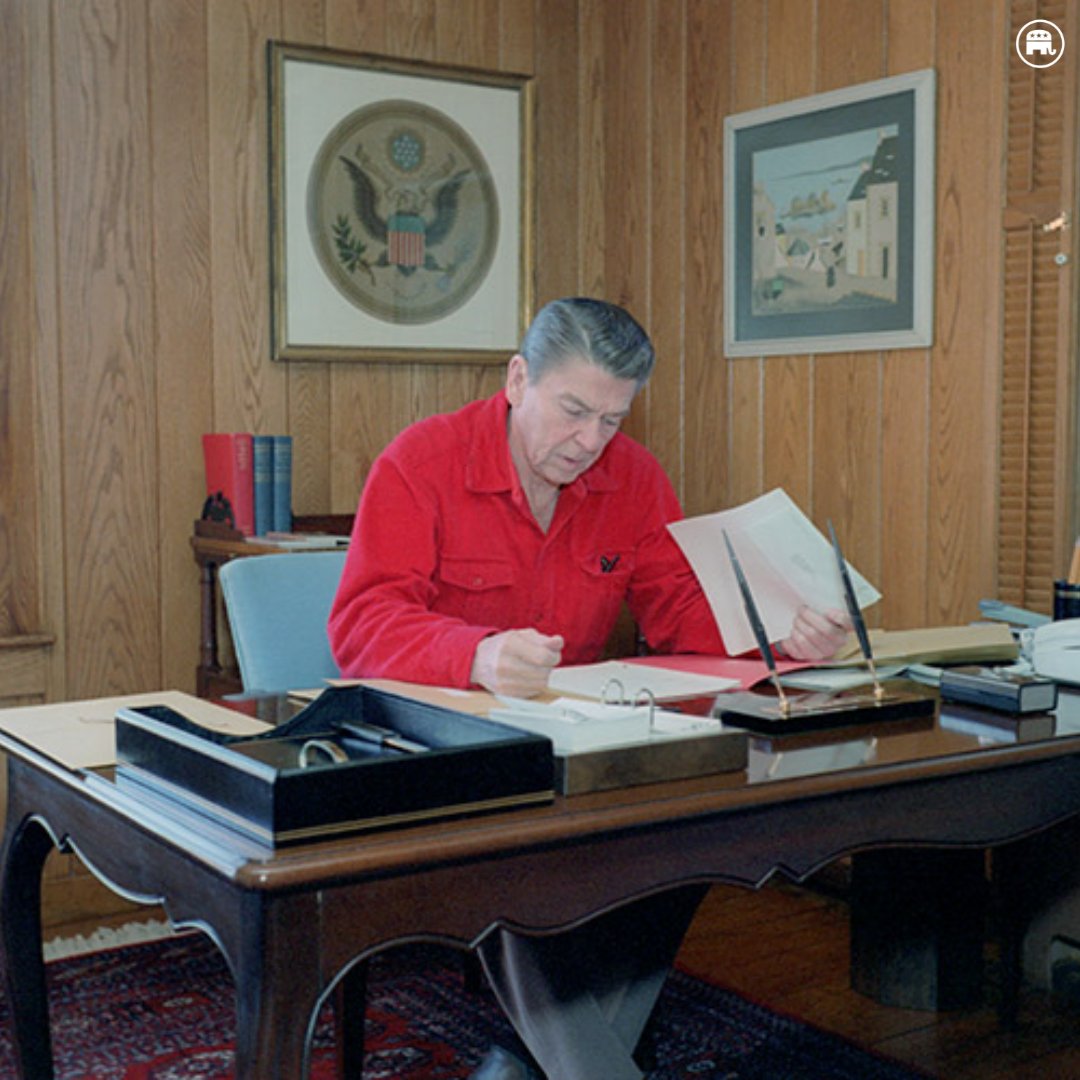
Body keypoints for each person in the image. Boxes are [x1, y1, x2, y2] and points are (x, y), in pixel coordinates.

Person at [329, 297, 849, 1080]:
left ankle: (525, 1062)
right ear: (517, 380)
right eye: (574, 411)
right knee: (521, 863)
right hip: (446, 748)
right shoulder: (419, 462)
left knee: (694, 836)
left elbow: (678, 614)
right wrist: (477, 654)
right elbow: (361, 624)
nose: (589, 442)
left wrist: (782, 635)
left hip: (574, 745)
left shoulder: (633, 477)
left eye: (612, 419)